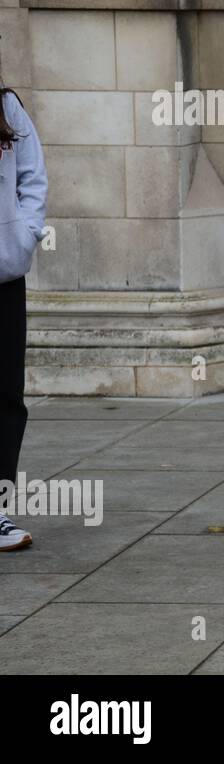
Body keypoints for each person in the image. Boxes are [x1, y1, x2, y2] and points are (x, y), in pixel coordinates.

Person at [0, 85, 48, 553]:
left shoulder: (6, 104)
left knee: (6, 394)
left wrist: (24, 233)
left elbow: (32, 178)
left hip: (2, 274)